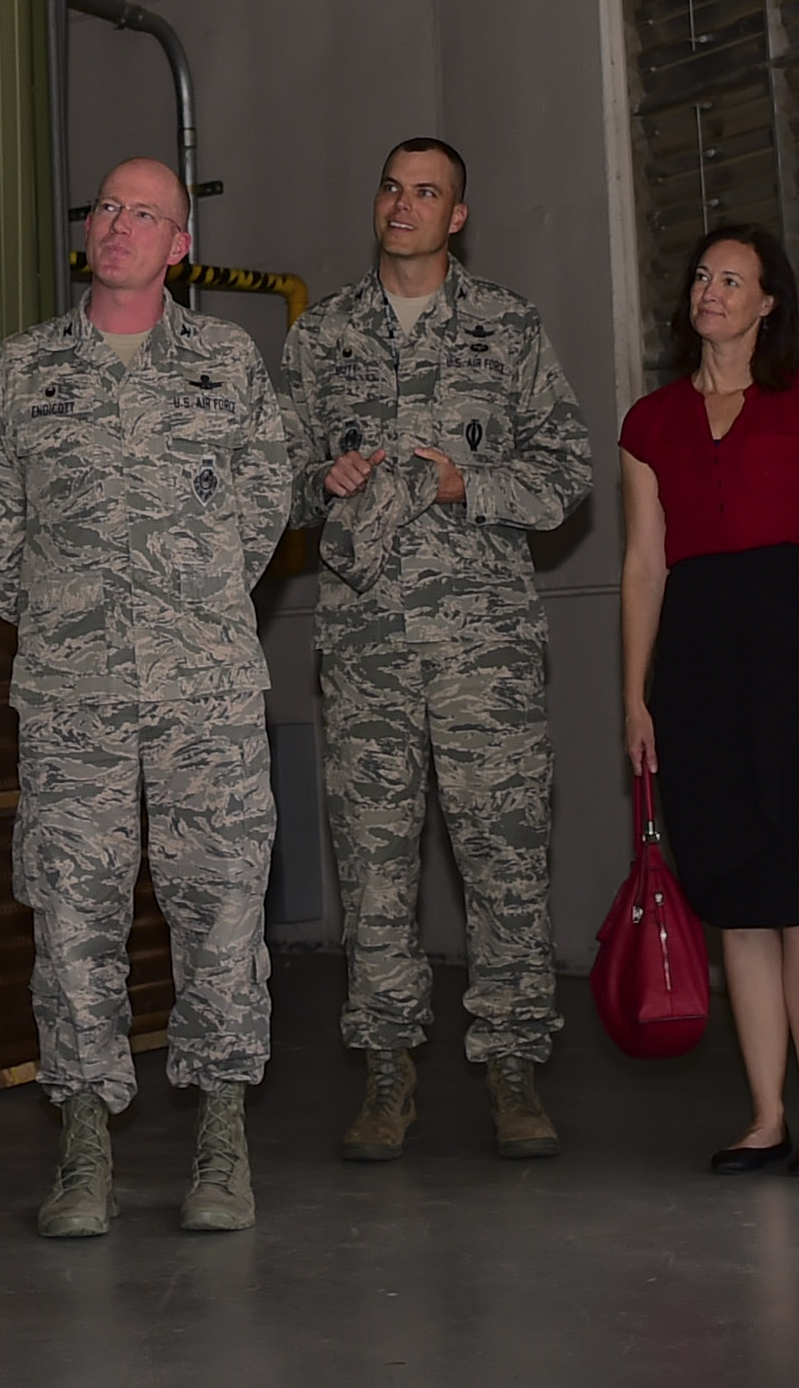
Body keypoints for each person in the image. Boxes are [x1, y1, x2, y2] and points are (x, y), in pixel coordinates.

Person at [0, 155, 292, 1239]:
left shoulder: (227, 362)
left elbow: (262, 506)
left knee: (223, 910)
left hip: (206, 694)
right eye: (107, 206)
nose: (119, 224)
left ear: (179, 246)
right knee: (72, 917)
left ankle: (223, 1137)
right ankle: (85, 1142)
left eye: (146, 213)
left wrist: (193, 605)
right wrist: (61, 617)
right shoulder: (25, 368)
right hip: (72, 697)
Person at [276, 138, 592, 1164]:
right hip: (366, 645)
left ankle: (514, 1065)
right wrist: (321, 481)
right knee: (373, 864)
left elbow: (566, 472)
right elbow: (271, 484)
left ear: (457, 215)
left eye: (425, 193)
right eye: (390, 188)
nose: (402, 206)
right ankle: (386, 1068)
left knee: (505, 857)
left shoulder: (508, 325)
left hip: (484, 650)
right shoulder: (322, 335)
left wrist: (468, 485)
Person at [617, 225, 799, 1175]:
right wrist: (634, 698)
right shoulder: (649, 422)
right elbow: (643, 567)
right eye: (702, 276)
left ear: (769, 303)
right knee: (735, 901)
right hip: (697, 672)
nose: (711, 291)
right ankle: (766, 1114)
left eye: (733, 279)